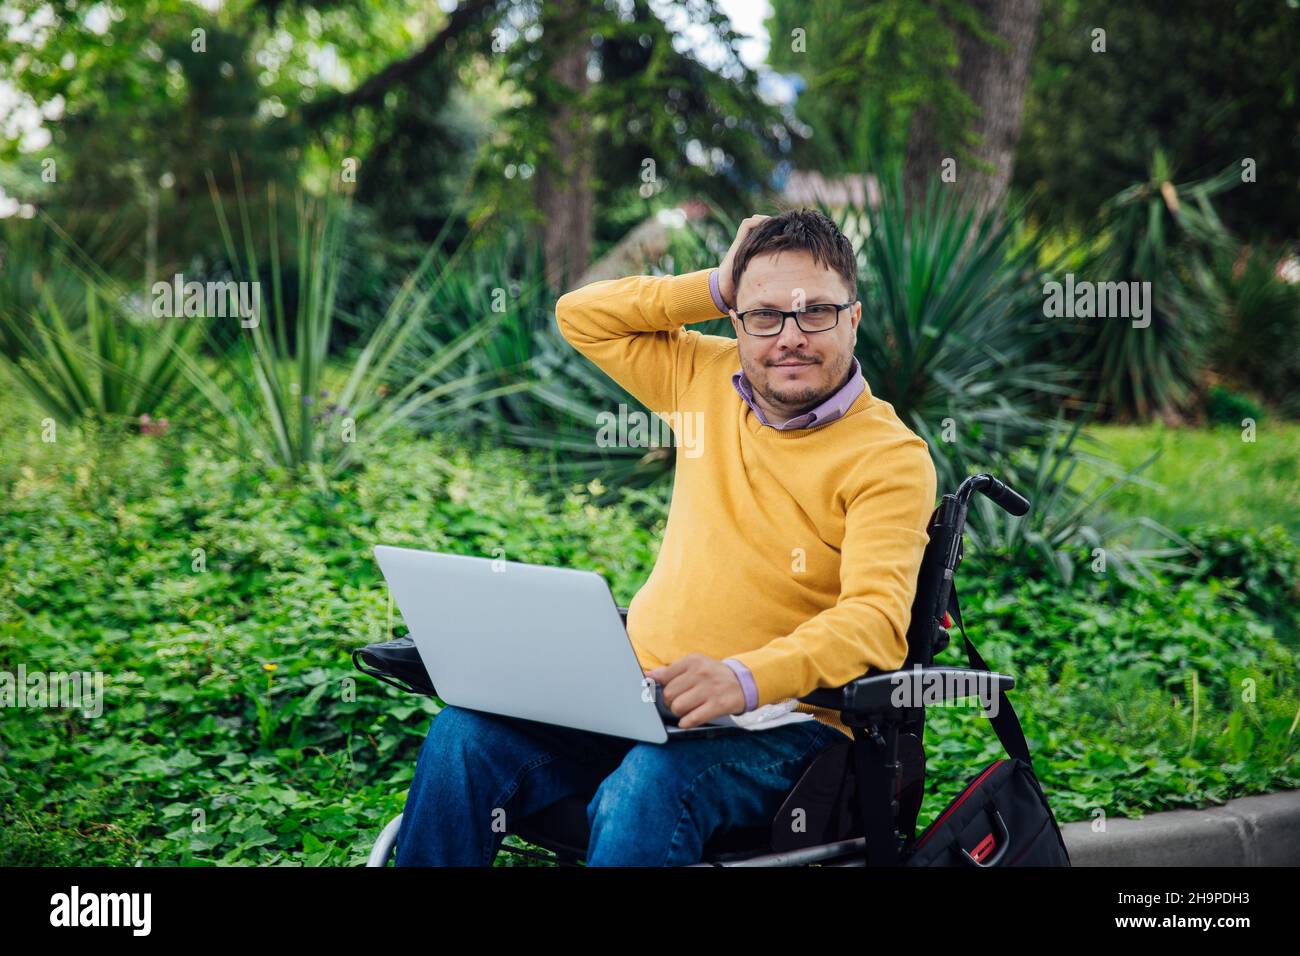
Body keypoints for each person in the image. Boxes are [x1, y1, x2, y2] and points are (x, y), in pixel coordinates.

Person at [394, 208, 937, 866]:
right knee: (463, 735)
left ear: (852, 317)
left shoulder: (890, 458)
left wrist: (745, 677)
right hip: (637, 699)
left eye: (815, 312)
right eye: (764, 314)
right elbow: (581, 316)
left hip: (786, 726)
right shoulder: (701, 379)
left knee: (650, 782)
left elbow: (877, 623)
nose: (789, 337)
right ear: (735, 318)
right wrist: (714, 283)